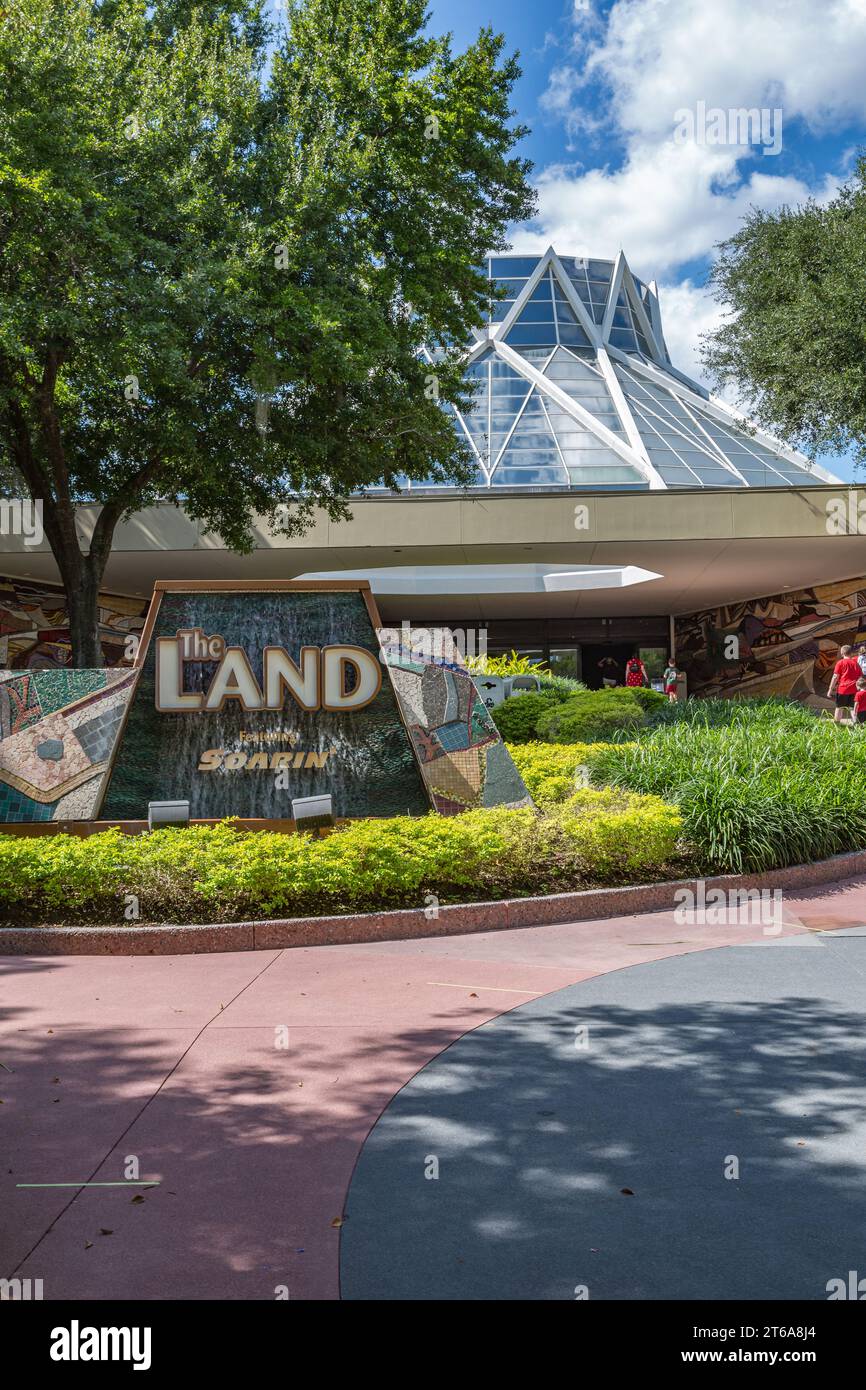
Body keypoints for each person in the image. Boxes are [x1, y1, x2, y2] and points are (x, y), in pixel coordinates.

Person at [828, 643, 861, 723]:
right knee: (852, 708)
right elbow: (860, 677)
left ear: (842, 653)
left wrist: (830, 689)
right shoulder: (856, 663)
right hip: (854, 689)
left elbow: (835, 677)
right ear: (851, 653)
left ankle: (837, 725)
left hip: (842, 690)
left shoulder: (840, 663)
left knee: (839, 707)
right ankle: (856, 726)